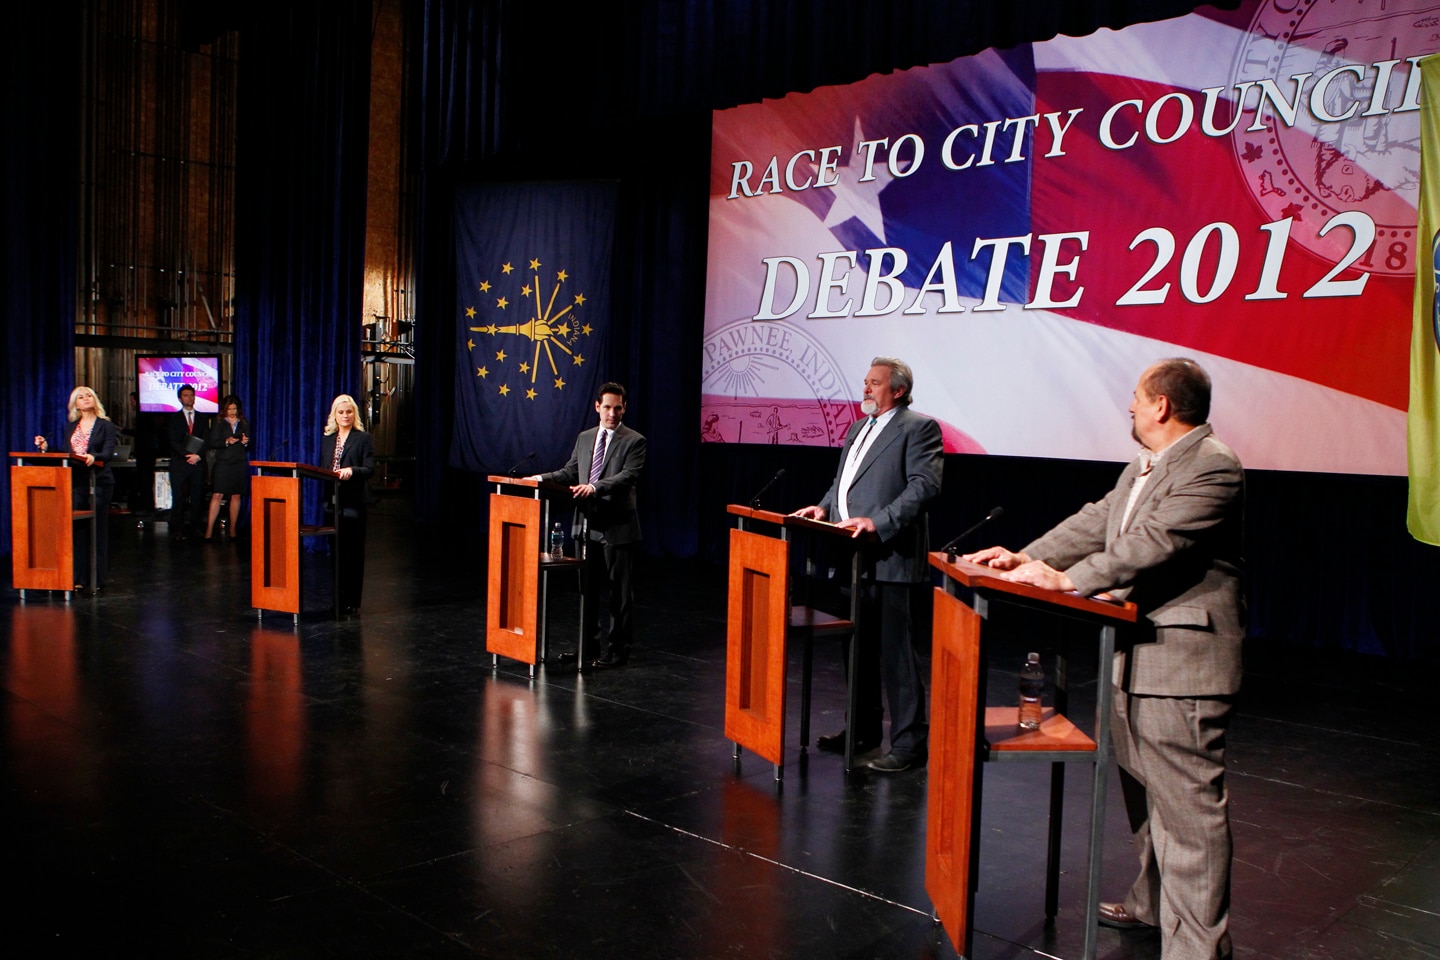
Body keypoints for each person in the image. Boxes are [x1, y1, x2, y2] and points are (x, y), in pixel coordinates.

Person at [963, 358, 1244, 960]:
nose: (1131, 406)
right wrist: (1025, 559)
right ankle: (1152, 905)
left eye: (1138, 396)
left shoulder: (1212, 465)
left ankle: (1198, 949)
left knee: (1188, 814)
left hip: (1182, 662)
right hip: (1133, 653)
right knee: (1145, 797)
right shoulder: (1141, 466)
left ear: (1162, 405)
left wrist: (1068, 580)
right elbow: (1096, 522)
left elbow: (1155, 542)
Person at [791, 357, 943, 773]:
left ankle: (910, 744)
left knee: (896, 655)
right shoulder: (858, 428)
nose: (866, 389)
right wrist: (823, 507)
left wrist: (879, 522)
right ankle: (862, 731)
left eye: (875, 383)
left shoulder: (918, 428)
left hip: (891, 556)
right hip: (852, 555)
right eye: (865, 382)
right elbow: (843, 482)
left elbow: (925, 487)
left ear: (898, 390)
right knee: (855, 648)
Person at [531, 381, 646, 668]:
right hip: (586, 524)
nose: (612, 413)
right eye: (607, 407)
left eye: (617, 408)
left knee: (619, 593)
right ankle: (588, 648)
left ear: (624, 408)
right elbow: (571, 471)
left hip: (618, 527)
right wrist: (539, 479)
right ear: (597, 407)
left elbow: (627, 477)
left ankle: (618, 650)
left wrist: (594, 487)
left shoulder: (634, 441)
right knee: (588, 590)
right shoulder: (585, 438)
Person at [33, 386, 120, 592]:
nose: (86, 399)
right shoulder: (71, 427)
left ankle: (96, 578)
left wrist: (94, 457)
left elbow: (108, 453)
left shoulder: (105, 425)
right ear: (76, 405)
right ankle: (79, 577)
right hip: (76, 482)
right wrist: (46, 448)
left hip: (99, 481)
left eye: (89, 395)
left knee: (96, 529)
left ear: (95, 400)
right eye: (81, 397)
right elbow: (67, 453)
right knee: (79, 529)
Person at [321, 394, 374, 614]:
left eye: (349, 412)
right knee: (336, 554)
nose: (345, 416)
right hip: (332, 503)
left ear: (355, 414)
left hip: (354, 503)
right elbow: (323, 468)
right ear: (334, 415)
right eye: (341, 412)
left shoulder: (363, 438)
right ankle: (338, 599)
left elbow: (369, 468)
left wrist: (352, 471)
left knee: (353, 553)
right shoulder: (327, 440)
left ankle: (352, 601)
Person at [167, 384, 213, 540]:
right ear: (180, 398)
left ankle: (196, 527)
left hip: (198, 463)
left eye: (192, 395)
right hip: (179, 463)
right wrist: (188, 455)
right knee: (178, 497)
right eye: (186, 395)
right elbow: (173, 441)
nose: (189, 398)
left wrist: (197, 456)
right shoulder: (173, 418)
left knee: (197, 496)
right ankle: (177, 529)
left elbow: (206, 439)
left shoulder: (203, 418)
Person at [204, 394, 251, 540]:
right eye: (229, 409)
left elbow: (249, 443)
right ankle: (209, 530)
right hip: (223, 462)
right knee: (217, 495)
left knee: (236, 495)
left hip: (239, 462)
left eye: (234, 409)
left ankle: (232, 529)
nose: (232, 412)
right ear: (225, 409)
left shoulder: (244, 423)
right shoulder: (218, 422)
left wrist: (245, 442)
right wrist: (226, 441)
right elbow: (212, 442)